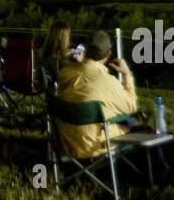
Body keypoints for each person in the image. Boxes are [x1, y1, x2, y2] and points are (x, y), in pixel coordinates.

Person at [54, 30, 140, 159]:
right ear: (108, 54)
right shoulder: (108, 82)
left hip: (67, 144)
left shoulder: (65, 73)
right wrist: (127, 75)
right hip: (97, 145)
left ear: (85, 50)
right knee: (134, 125)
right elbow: (132, 106)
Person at [38, 21, 76, 89]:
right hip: (64, 93)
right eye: (67, 36)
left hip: (50, 93)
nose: (69, 39)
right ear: (63, 38)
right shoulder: (60, 59)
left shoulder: (44, 53)